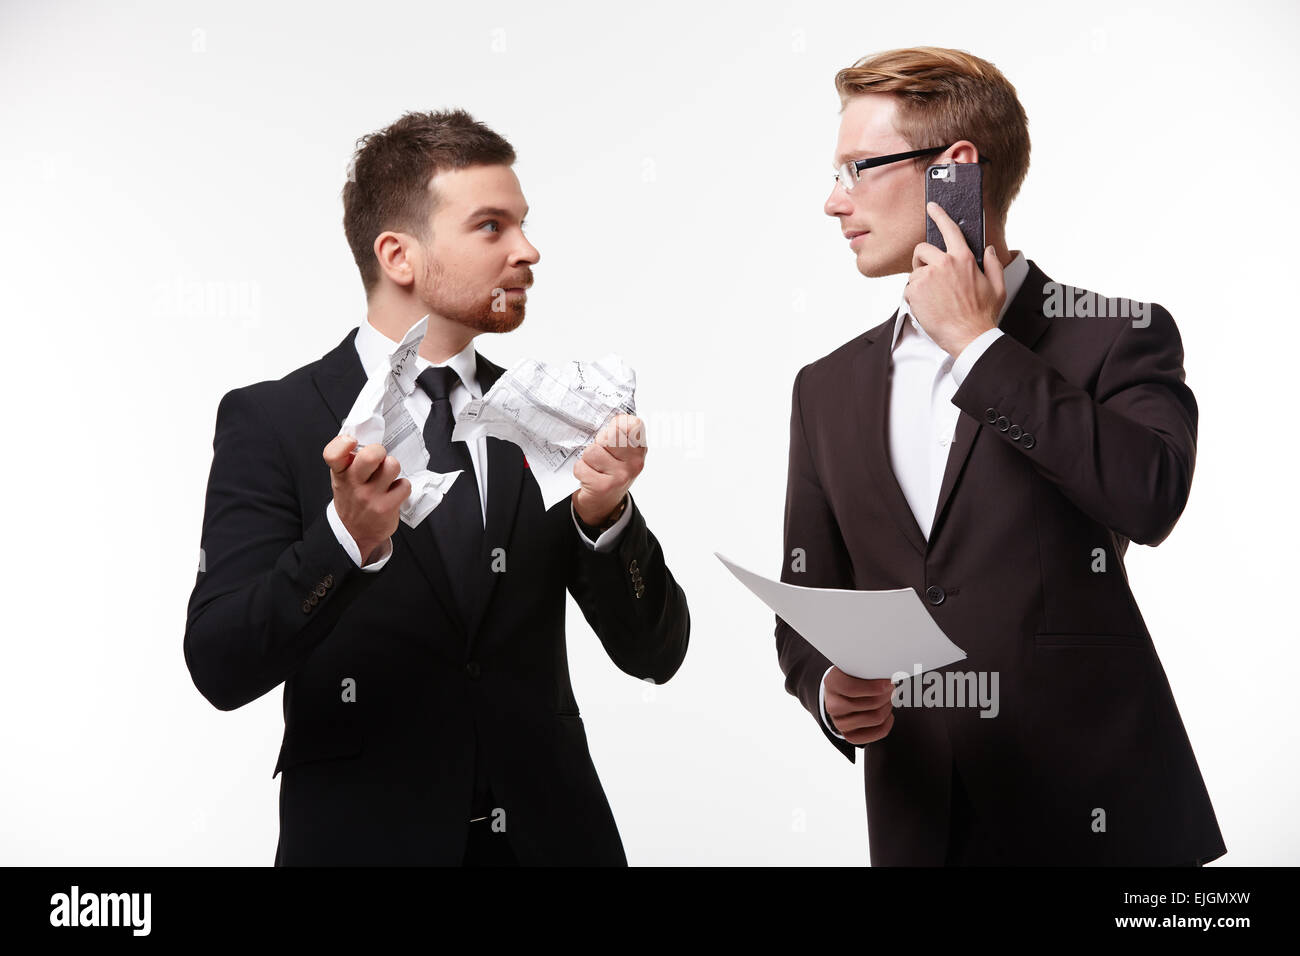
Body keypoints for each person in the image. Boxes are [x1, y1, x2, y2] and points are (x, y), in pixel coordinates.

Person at [184, 109, 690, 865]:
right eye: (492, 227)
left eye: (523, 224)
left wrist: (605, 516)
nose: (529, 250)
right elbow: (221, 664)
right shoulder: (272, 420)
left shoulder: (549, 411)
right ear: (399, 255)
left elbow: (657, 654)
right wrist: (345, 541)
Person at [774, 47, 1225, 866]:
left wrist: (979, 347)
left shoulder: (1116, 332)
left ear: (955, 170)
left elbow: (1150, 497)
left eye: (858, 168)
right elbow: (810, 596)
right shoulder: (825, 388)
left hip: (1100, 820)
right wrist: (829, 694)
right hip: (922, 823)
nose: (833, 202)